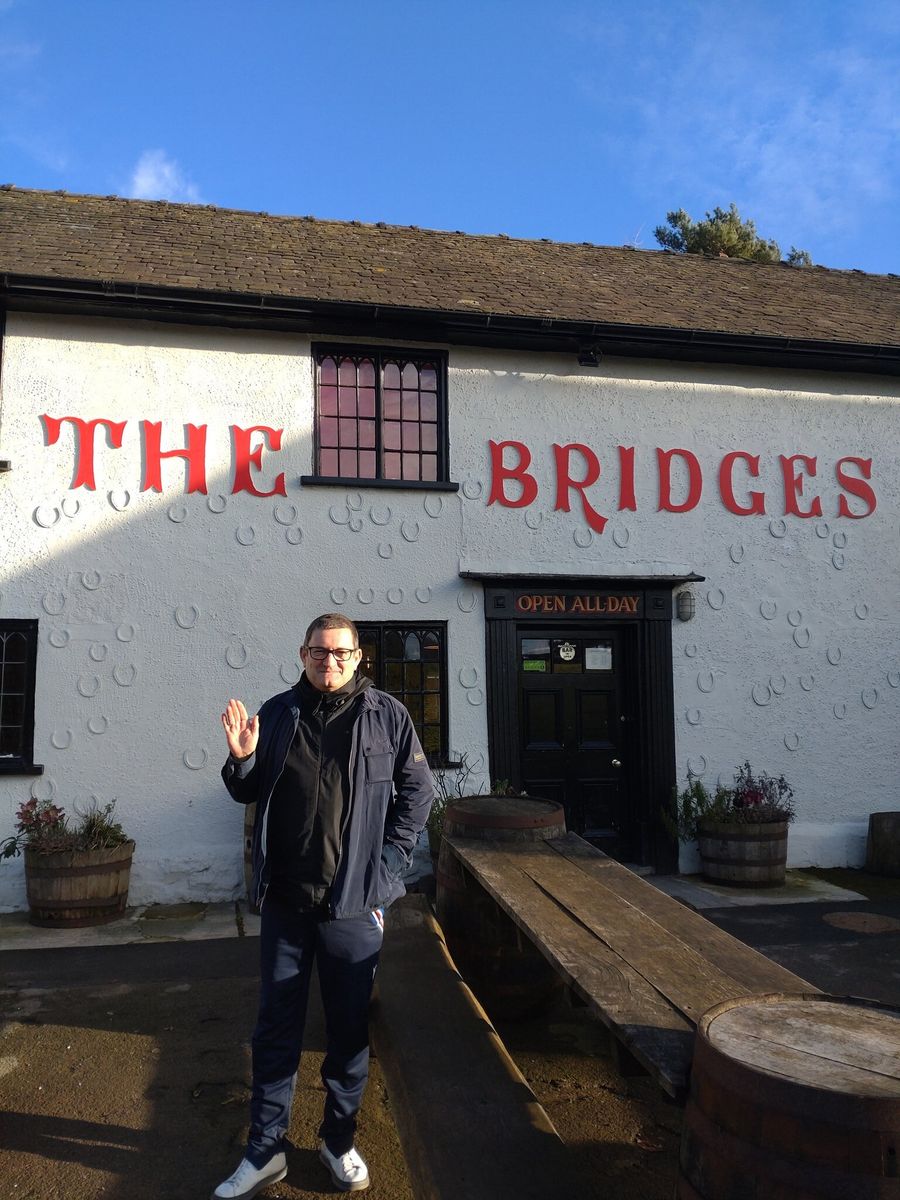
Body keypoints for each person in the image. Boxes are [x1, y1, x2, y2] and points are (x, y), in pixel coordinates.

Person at [213, 613, 434, 1199]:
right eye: (318, 652)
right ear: (302, 653)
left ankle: (338, 1141)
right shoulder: (280, 712)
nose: (328, 662)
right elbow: (246, 788)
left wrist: (386, 868)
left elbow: (418, 792)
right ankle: (264, 1151)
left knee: (347, 1032)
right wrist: (241, 759)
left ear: (359, 657)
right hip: (287, 902)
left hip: (354, 906)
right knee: (275, 1030)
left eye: (340, 653)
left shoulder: (388, 716)